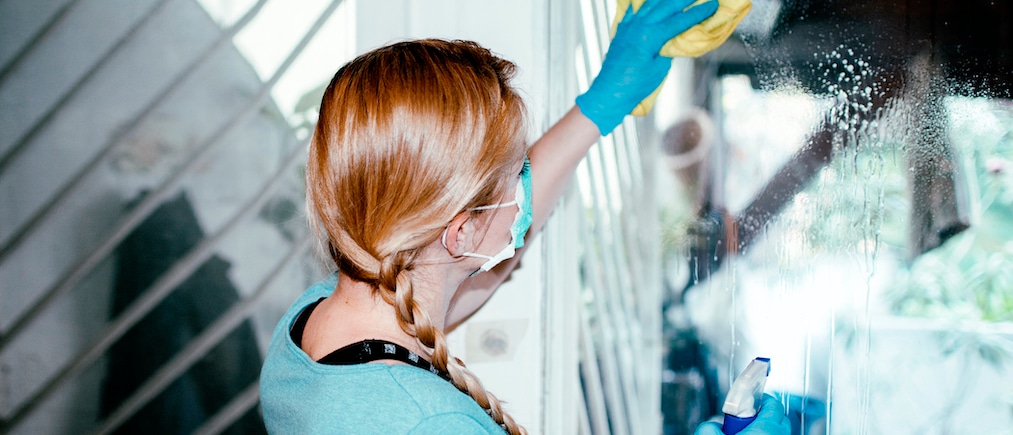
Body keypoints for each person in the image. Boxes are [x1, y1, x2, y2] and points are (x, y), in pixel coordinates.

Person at [259, 0, 788, 433]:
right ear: (461, 231)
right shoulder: (431, 422)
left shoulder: (315, 324)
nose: (527, 189)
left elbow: (476, 274)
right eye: (519, 177)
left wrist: (598, 107)